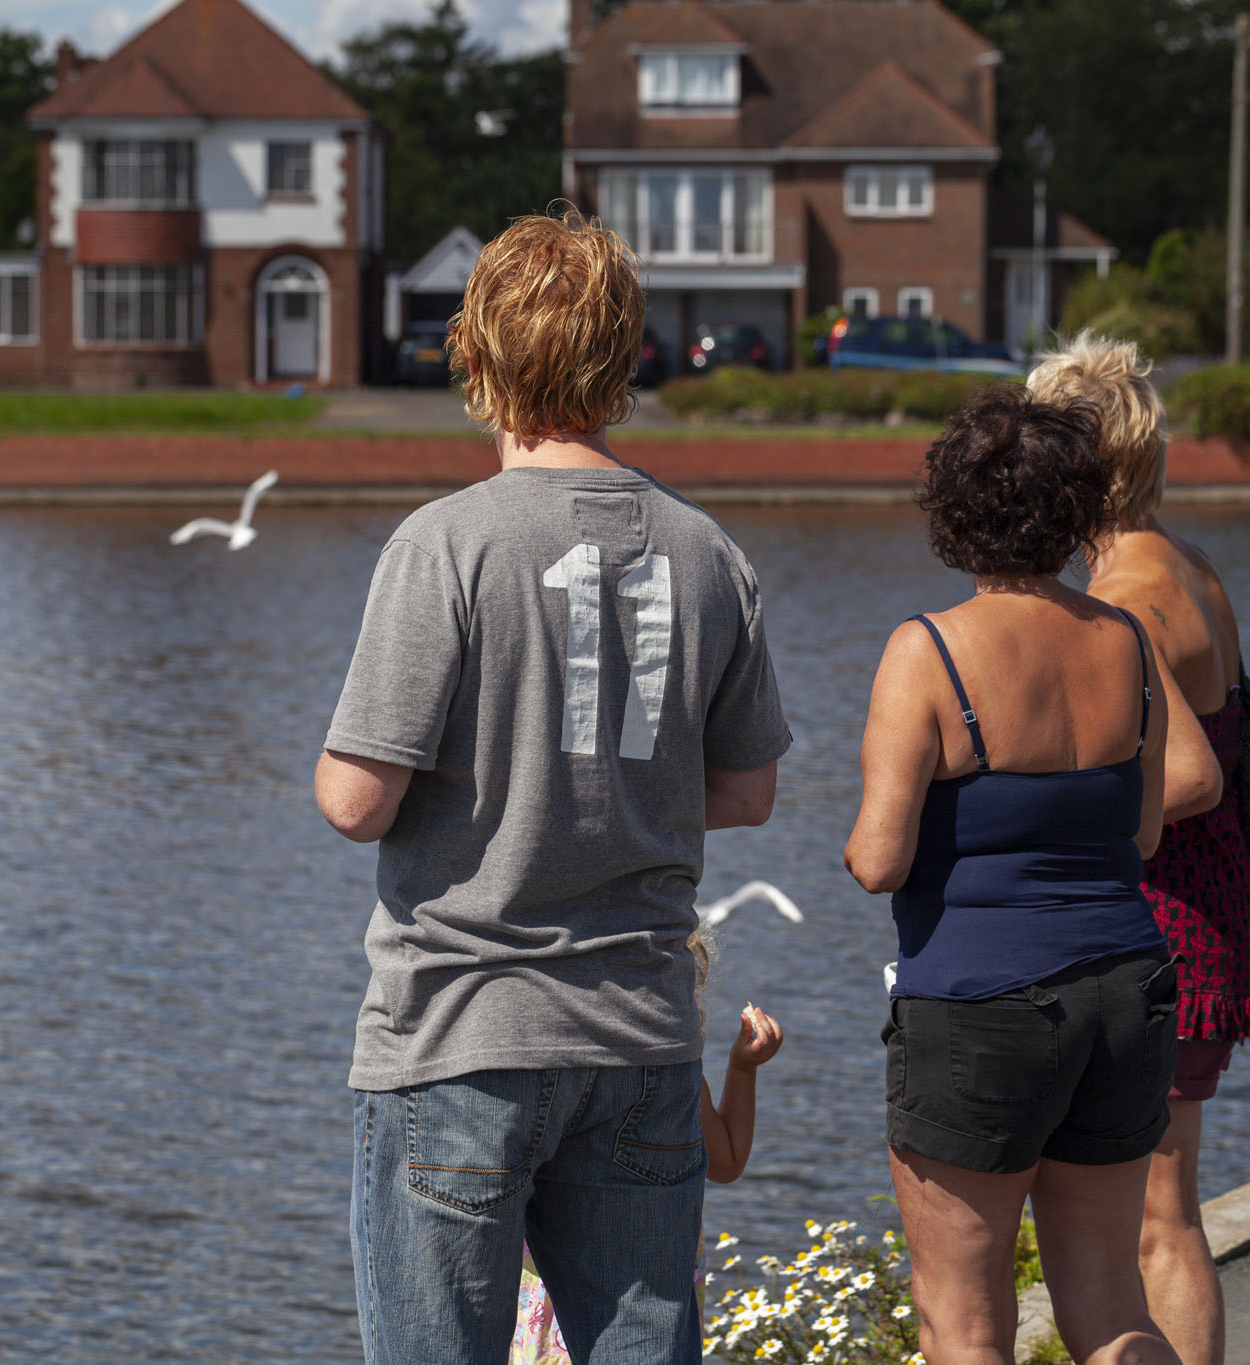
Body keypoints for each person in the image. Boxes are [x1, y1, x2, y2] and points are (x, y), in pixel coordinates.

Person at [317, 207, 793, 1365]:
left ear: (473, 355)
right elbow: (747, 793)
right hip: (639, 1038)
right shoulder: (706, 553)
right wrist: (609, 782)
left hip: (460, 1035)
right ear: (623, 356)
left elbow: (355, 803)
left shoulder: (444, 544)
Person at [845, 384, 1216, 1365]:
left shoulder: (925, 650)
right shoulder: (1124, 640)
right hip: (1126, 987)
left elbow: (878, 861)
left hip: (979, 1004)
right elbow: (1143, 835)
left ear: (952, 506)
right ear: (1075, 508)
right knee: (1111, 1303)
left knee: (963, 1318)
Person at [1028, 331, 1250, 1365]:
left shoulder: (1124, 596)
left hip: (1168, 921)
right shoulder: (1187, 564)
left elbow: (1190, 777)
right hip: (1211, 907)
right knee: (1164, 1207)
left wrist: (1051, 818)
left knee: (1155, 1218)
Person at [512, 943, 785, 1364]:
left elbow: (726, 1160)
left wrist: (742, 1067)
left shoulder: (669, 1073)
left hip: (625, 1285)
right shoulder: (558, 1070)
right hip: (584, 1288)